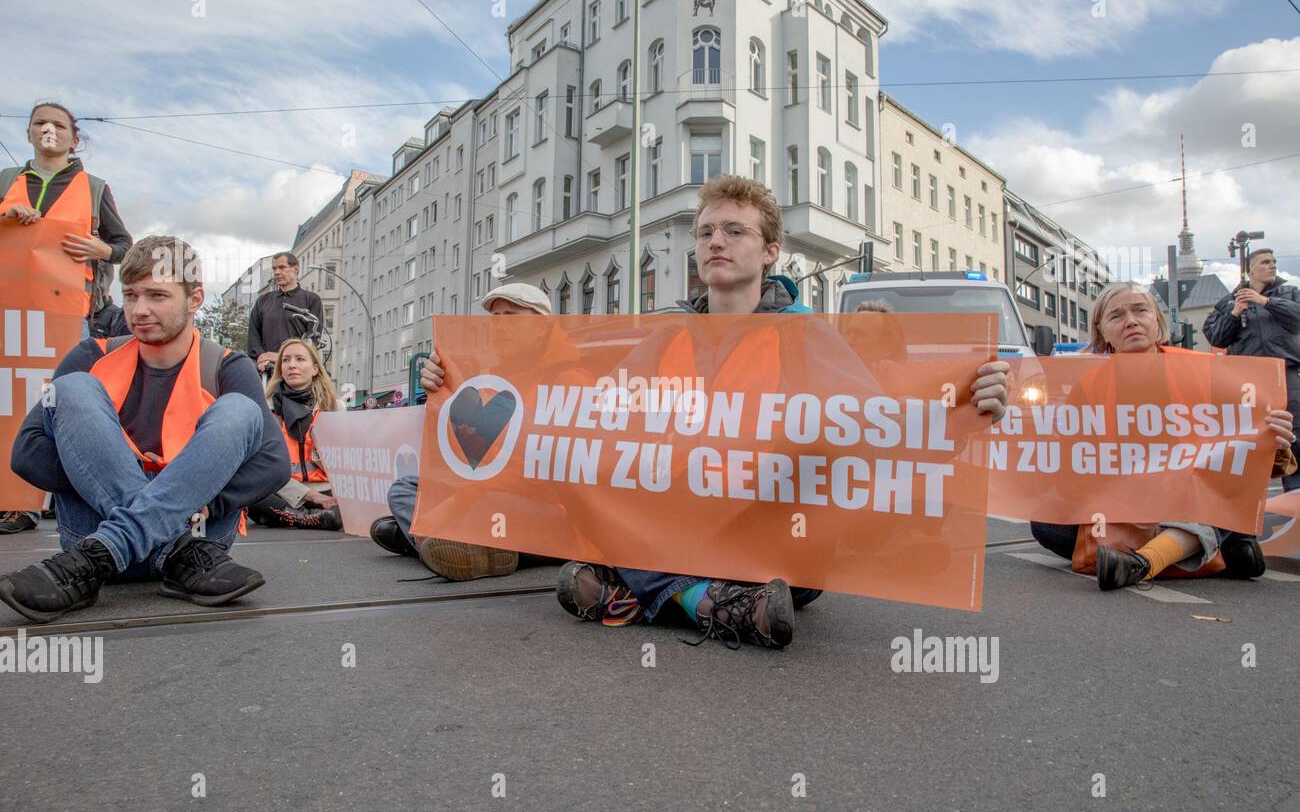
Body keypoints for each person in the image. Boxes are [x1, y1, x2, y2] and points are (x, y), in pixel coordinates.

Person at [418, 175, 1010, 649]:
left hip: (768, 537)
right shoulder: (666, 337)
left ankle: (646, 594)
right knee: (596, 491)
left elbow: (881, 429)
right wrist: (456, 387)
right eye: (704, 233)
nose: (715, 242)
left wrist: (964, 406)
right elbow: (582, 420)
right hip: (678, 528)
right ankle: (706, 601)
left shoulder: (810, 339)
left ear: (770, 250)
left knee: (602, 573)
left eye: (734, 230)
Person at [0, 236, 290, 624]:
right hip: (182, 552)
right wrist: (157, 495)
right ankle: (167, 549)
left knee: (239, 411)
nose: (139, 309)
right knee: (72, 389)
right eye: (131, 295)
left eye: (156, 296)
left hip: (191, 540)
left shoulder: (226, 366)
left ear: (195, 298)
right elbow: (27, 452)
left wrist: (190, 500)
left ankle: (108, 551)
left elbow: (274, 464)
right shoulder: (90, 356)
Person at [1031, 282, 1296, 590]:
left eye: (1140, 310)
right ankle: (1220, 548)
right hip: (1126, 504)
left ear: (1156, 320)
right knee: (1045, 523)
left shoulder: (1205, 371)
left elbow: (1249, 459)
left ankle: (1144, 562)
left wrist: (1273, 441)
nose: (1131, 320)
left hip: (1194, 497)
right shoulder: (1087, 387)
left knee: (1224, 493)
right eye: (1117, 315)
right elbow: (1071, 474)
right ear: (1101, 332)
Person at [0, 101, 133, 537]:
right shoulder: (6, 182)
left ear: (75, 138)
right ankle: (14, 502)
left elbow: (124, 246)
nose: (49, 130)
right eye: (40, 123)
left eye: (58, 125)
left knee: (58, 402)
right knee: (9, 402)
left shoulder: (94, 188)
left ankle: (62, 496)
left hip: (67, 313)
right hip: (10, 309)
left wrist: (101, 250)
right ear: (29, 133)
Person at [370, 282, 563, 579]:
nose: (498, 328)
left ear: (540, 325)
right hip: (487, 490)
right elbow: (471, 447)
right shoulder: (491, 376)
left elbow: (535, 466)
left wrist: (454, 504)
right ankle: (462, 545)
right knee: (405, 488)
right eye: (494, 320)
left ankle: (425, 539)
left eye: (509, 317)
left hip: (536, 500)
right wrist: (440, 386)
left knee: (482, 505)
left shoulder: (569, 376)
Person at [1203, 248, 1300, 491]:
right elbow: (1216, 336)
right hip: (1249, 382)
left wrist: (1266, 302)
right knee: (1250, 441)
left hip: (1287, 374)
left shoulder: (1289, 292)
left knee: (1295, 436)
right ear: (1249, 270)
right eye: (1266, 262)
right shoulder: (1229, 301)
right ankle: (1247, 503)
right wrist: (1235, 313)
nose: (1273, 265)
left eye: (1274, 261)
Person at [247, 339, 345, 529]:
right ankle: (303, 518)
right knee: (250, 492)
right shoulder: (265, 409)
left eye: (300, 359)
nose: (292, 365)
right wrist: (307, 494)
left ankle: (311, 516)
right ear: (280, 369)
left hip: (329, 492)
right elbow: (260, 466)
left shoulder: (333, 408)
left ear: (315, 369)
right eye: (286, 360)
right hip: (283, 492)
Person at [248, 251, 325, 376]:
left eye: (282, 267)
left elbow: (312, 339)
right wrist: (261, 356)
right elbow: (253, 336)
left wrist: (280, 356)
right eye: (274, 268)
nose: (277, 272)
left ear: (296, 269)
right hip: (265, 370)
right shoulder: (263, 300)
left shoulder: (311, 300)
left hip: (297, 371)